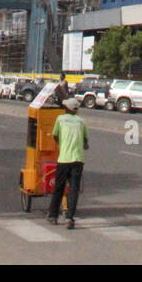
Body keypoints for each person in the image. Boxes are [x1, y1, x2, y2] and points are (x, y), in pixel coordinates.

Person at [47, 96, 88, 230]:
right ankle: (70, 218)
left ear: (66, 109)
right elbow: (86, 143)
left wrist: (62, 144)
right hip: (78, 160)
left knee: (59, 187)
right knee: (74, 190)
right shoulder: (82, 122)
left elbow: (55, 135)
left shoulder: (60, 119)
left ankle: (53, 215)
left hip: (64, 159)